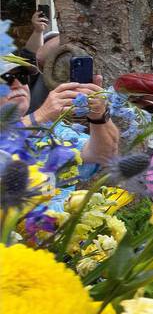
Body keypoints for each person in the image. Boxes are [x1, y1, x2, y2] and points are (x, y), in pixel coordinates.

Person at [0, 63, 119, 209]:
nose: (18, 84)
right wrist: (39, 116)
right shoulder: (40, 119)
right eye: (5, 79)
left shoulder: (53, 129)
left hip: (56, 228)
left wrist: (99, 116)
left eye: (21, 76)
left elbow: (104, 155)